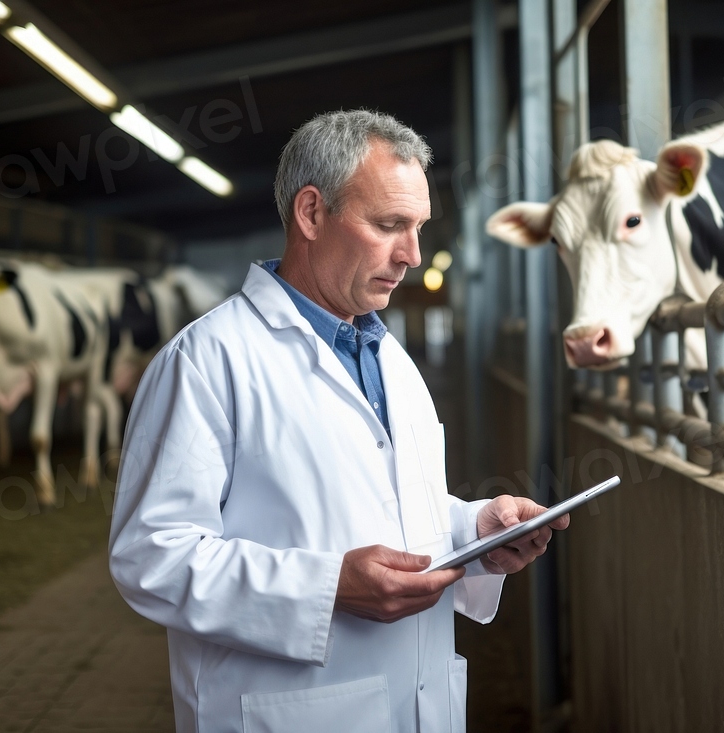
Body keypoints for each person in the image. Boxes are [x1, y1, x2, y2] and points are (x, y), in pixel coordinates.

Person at [109, 110, 569, 733]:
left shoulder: (390, 359)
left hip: (418, 703)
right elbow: (150, 556)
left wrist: (474, 531)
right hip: (287, 712)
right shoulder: (207, 361)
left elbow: (389, 507)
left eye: (417, 228)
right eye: (389, 226)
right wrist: (325, 589)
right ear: (311, 213)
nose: (412, 254)